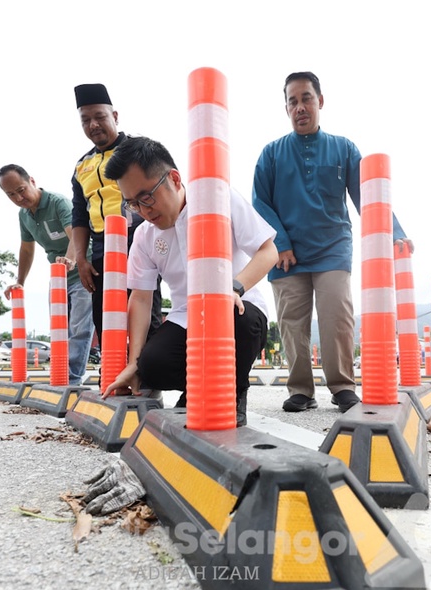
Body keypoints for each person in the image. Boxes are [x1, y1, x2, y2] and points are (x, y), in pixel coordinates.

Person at [252, 71, 413, 413]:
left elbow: (367, 196)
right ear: (286, 109)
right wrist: (281, 242)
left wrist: (395, 232)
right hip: (286, 254)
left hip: (332, 249)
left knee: (337, 318)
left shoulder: (344, 148)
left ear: (320, 101)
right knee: (292, 324)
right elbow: (260, 203)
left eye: (306, 98)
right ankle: (301, 390)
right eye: (292, 102)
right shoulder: (271, 154)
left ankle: (342, 386)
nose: (300, 107)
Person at [100, 136, 278, 427]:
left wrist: (234, 287)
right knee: (151, 366)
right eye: (132, 204)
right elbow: (141, 298)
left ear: (174, 178)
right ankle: (197, 389)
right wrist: (134, 363)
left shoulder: (217, 198)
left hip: (238, 308)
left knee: (235, 318)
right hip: (187, 318)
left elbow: (268, 251)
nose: (144, 211)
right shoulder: (144, 236)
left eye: (147, 197)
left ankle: (233, 391)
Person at [70, 83, 161, 350]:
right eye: (85, 120)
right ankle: (111, 371)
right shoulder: (81, 166)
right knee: (104, 319)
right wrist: (81, 259)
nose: (93, 125)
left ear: (115, 116)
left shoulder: (139, 149)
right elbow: (79, 216)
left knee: (145, 316)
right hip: (101, 250)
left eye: (99, 116)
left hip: (139, 243)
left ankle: (149, 373)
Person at [0, 164, 94, 385]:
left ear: (32, 181)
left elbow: (75, 234)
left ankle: (72, 379)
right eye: (11, 195)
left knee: (79, 328)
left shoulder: (57, 202)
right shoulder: (24, 215)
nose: (19, 198)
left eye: (21, 190)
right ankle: (60, 374)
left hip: (82, 271)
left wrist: (70, 260)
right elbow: (26, 249)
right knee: (59, 329)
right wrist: (20, 282)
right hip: (58, 277)